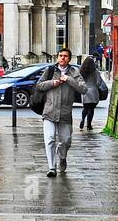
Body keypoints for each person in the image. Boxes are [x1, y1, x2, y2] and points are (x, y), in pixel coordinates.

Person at [36, 47, 87, 178]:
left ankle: (62, 157)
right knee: (49, 139)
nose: (62, 58)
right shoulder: (50, 70)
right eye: (60, 55)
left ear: (69, 59)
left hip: (65, 113)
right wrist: (52, 83)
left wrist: (69, 79)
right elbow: (39, 85)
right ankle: (52, 167)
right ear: (57, 57)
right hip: (49, 111)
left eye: (65, 56)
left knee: (66, 140)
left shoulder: (74, 72)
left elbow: (83, 89)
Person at [79, 53, 105, 132]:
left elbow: (79, 81)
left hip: (85, 91)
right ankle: (89, 125)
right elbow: (99, 81)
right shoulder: (95, 71)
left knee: (85, 107)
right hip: (93, 91)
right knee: (91, 109)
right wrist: (96, 85)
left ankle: (83, 119)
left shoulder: (82, 71)